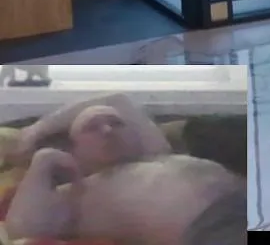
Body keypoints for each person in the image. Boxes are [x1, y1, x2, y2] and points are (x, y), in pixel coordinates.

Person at [5, 93, 248, 245]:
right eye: (92, 128)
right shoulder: (78, 191)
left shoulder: (157, 152)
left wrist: (37, 129)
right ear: (74, 151)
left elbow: (116, 100)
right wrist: (41, 161)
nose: (107, 130)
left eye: (116, 123)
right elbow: (22, 228)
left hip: (245, 203)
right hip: (208, 230)